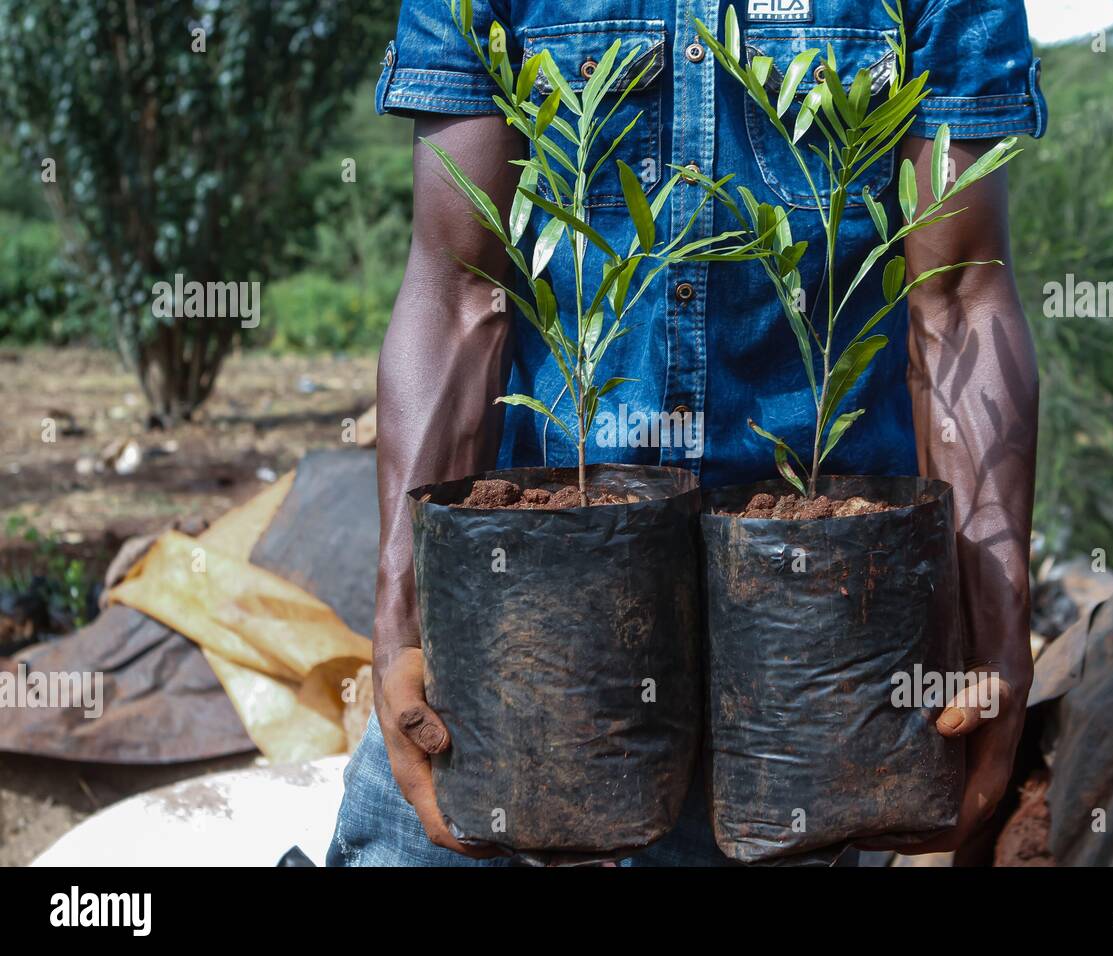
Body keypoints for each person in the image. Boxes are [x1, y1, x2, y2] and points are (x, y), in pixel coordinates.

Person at [328, 0, 1048, 867]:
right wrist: (402, 627)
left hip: (804, 633)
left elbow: (958, 298)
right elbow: (457, 286)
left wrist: (998, 635)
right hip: (522, 602)